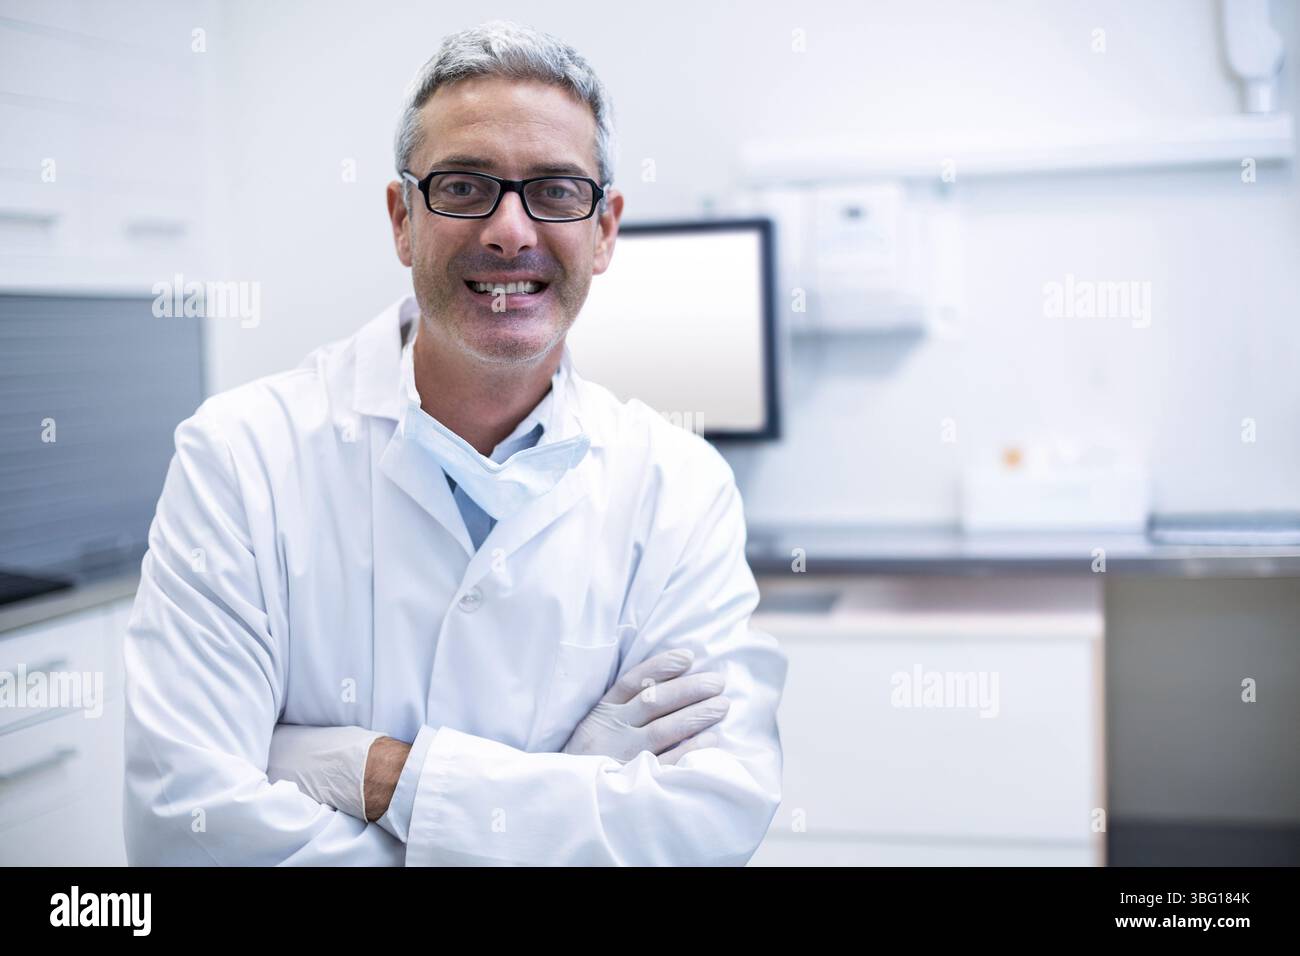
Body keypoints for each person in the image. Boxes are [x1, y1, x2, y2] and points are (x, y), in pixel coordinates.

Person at [123, 19, 786, 866]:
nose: (510, 231)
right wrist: (560, 795)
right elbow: (183, 828)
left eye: (554, 190)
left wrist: (382, 777)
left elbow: (710, 822)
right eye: (465, 188)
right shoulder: (240, 458)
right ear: (403, 219)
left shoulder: (681, 488)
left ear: (605, 229)